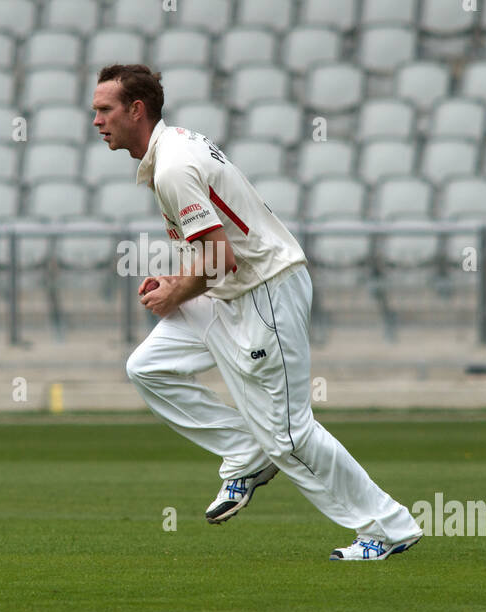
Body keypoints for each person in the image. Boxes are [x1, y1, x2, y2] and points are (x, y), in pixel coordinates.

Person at [91, 64, 423, 561]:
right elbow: (214, 249)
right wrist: (176, 283)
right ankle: (246, 453)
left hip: (265, 291)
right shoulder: (174, 149)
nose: (96, 120)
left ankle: (389, 528)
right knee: (147, 367)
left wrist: (174, 294)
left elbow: (221, 258)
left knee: (289, 435)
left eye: (104, 109)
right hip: (232, 290)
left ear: (136, 110)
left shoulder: (173, 167)